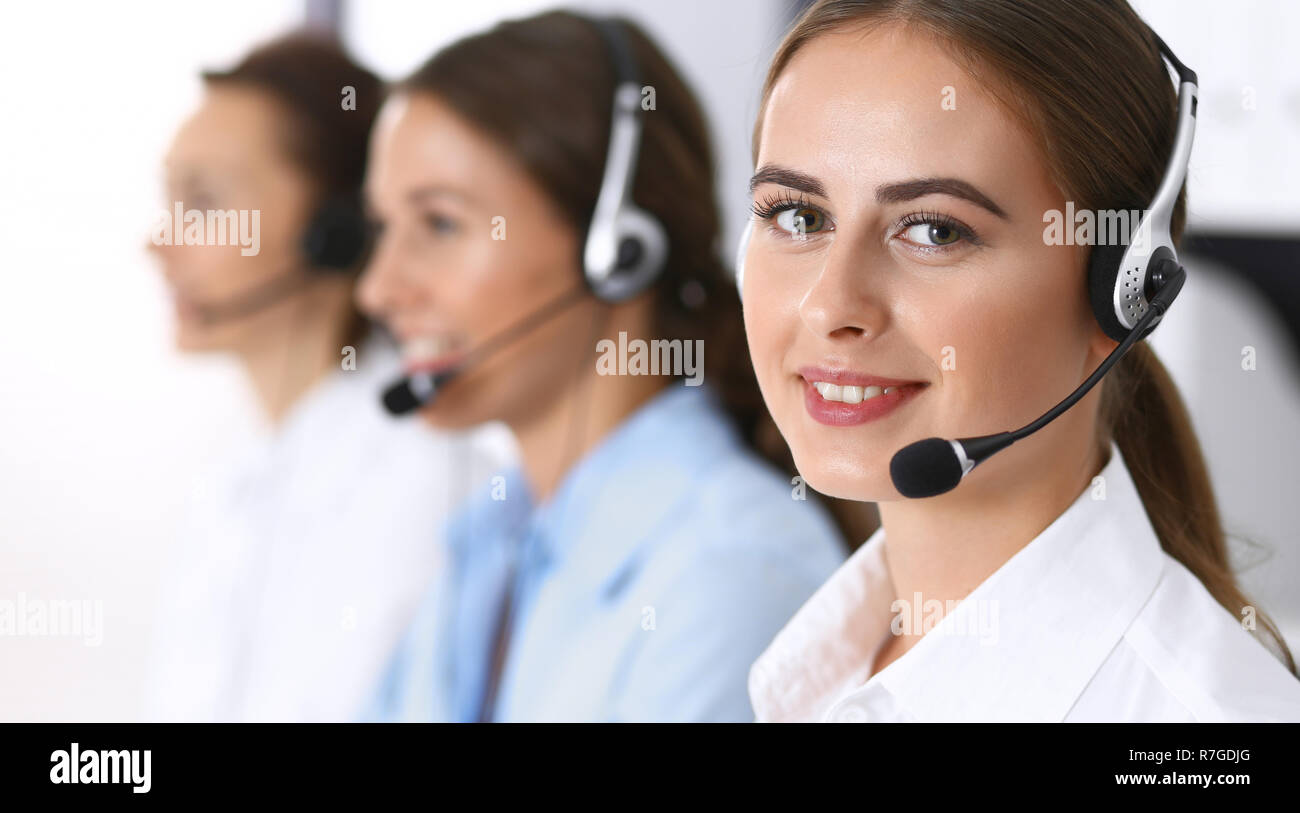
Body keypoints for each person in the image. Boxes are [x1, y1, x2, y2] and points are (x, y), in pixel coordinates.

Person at [741, 0, 1300, 722]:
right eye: (797, 216)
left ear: (1126, 290)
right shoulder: (820, 669)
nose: (830, 306)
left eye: (935, 230)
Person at [359, 11, 852, 722]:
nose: (379, 288)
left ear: (617, 249)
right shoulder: (492, 537)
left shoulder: (733, 567)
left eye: (440, 223)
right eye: (383, 228)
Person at [144, 31, 504, 721]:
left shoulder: (430, 477)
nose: (158, 240)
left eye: (205, 203)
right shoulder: (232, 471)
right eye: (169, 199)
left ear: (335, 229)